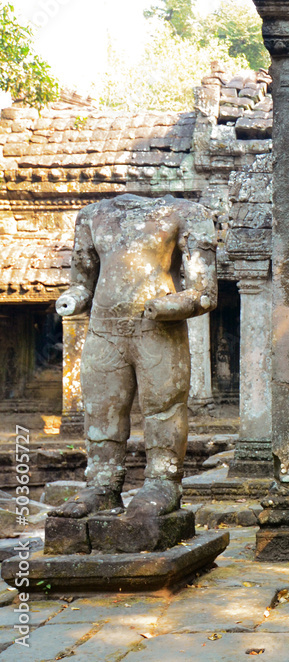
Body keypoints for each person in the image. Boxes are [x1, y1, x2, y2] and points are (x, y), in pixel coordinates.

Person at [53, 194, 217, 521]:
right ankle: (101, 484)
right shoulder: (92, 215)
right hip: (104, 330)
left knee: (163, 408)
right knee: (101, 408)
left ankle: (163, 481)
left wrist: (168, 306)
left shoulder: (186, 213)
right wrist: (72, 298)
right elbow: (82, 283)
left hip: (158, 328)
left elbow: (205, 292)